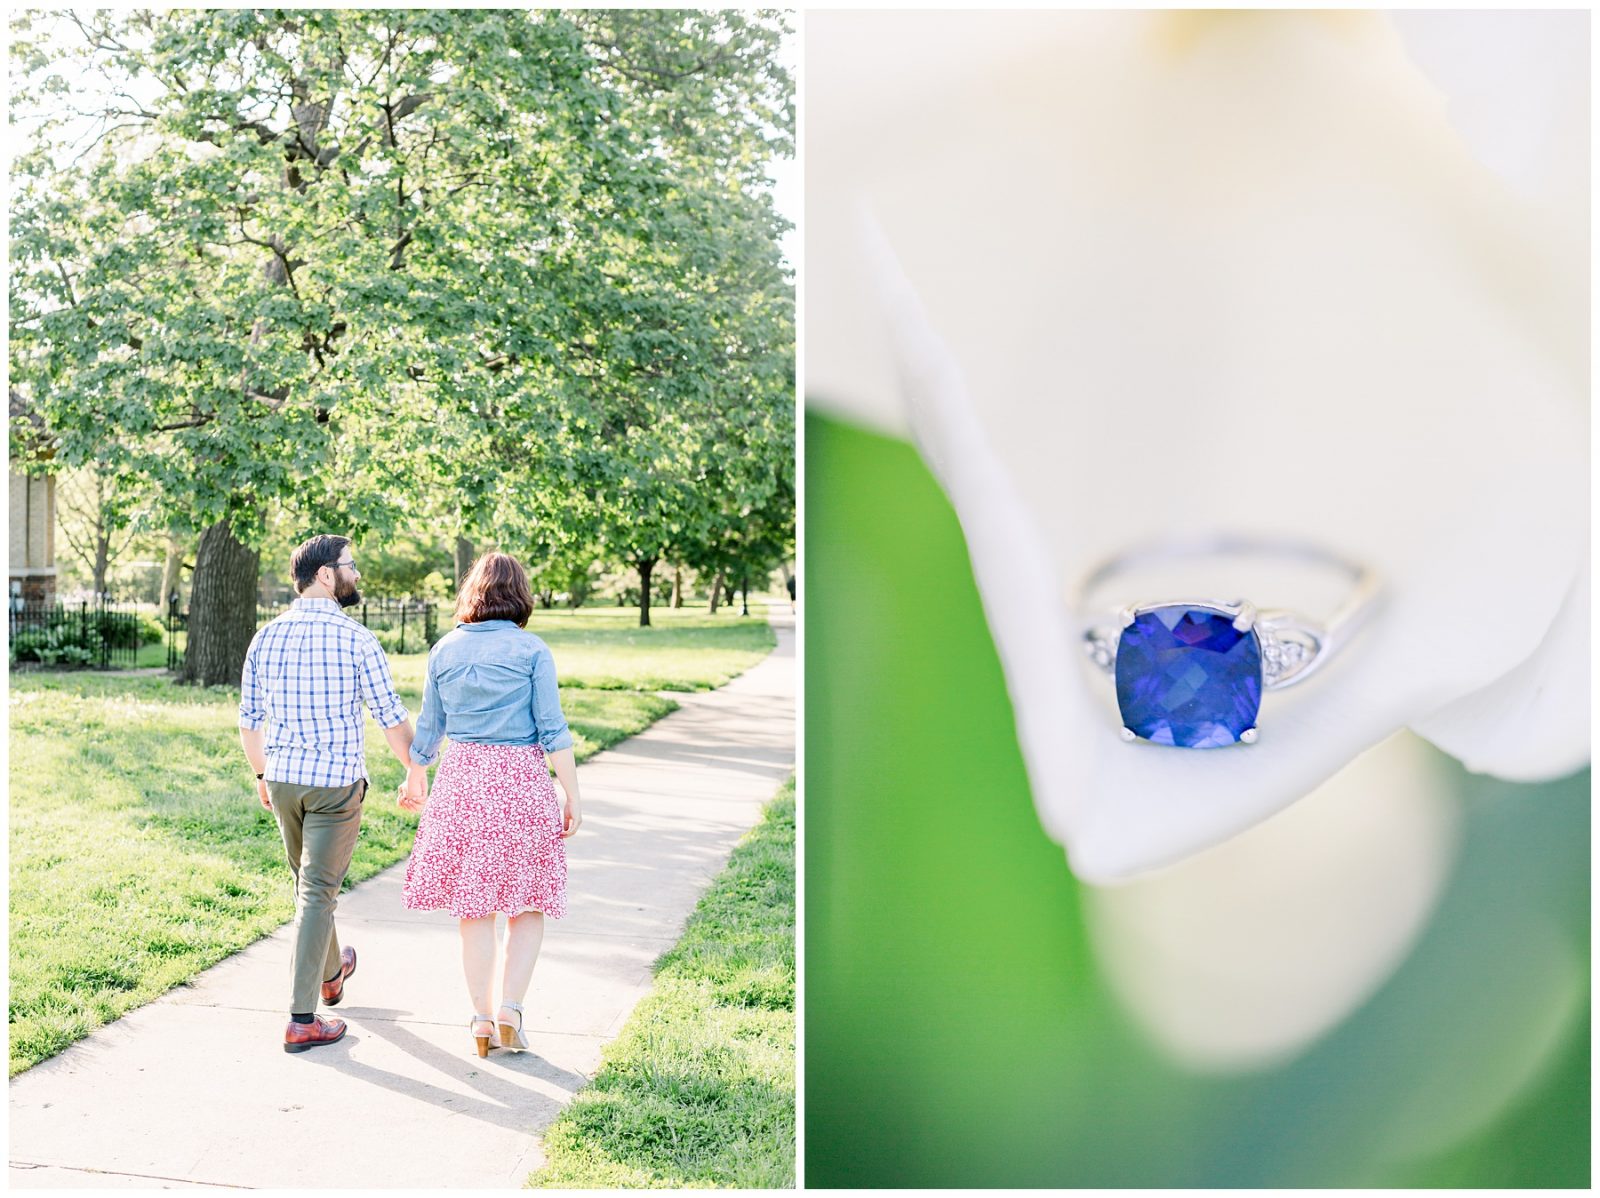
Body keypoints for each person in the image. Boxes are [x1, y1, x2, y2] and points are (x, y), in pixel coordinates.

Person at [238, 534, 418, 1054]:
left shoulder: (264, 637)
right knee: (316, 893)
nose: (356, 574)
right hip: (335, 786)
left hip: (284, 780)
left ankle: (334, 972)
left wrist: (260, 776)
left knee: (310, 886)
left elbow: (249, 723)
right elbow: (390, 718)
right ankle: (302, 1019)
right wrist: (416, 770)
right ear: (324, 575)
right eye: (350, 565)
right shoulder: (356, 639)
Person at [399, 552, 583, 1057]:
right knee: (527, 902)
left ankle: (480, 1019)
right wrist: (572, 792)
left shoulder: (444, 649)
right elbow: (552, 729)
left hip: (461, 781)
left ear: (472, 594)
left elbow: (430, 726)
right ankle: (511, 1010)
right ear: (520, 595)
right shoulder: (531, 651)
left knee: (473, 907)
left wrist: (416, 777)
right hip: (520, 781)